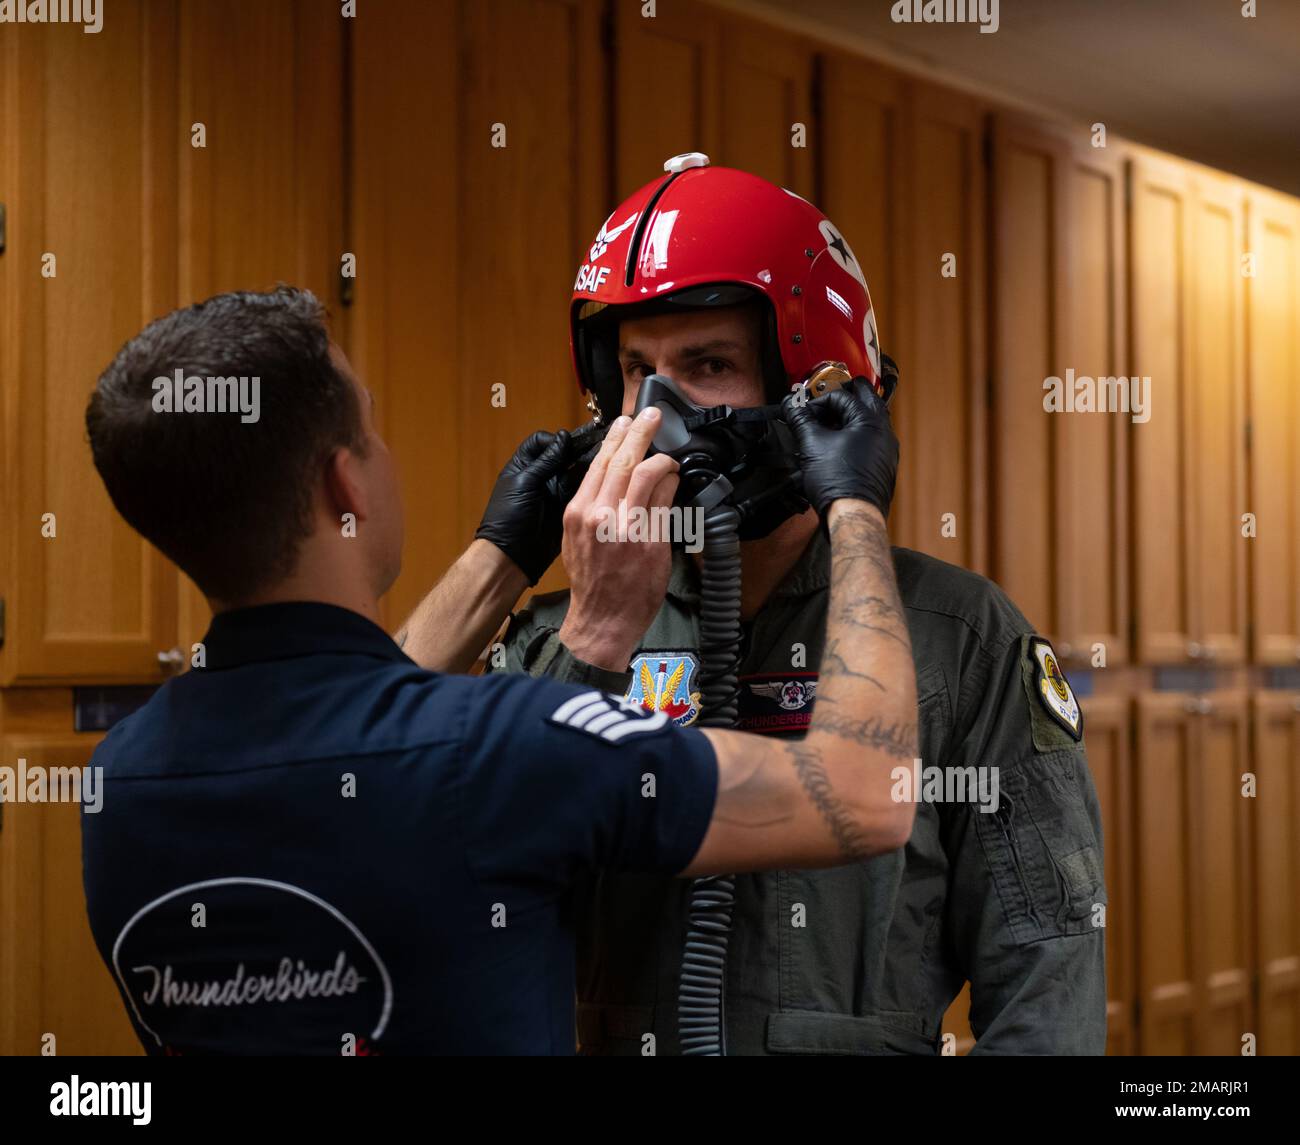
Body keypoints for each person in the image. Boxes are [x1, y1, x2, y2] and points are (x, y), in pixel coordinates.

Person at [80, 285, 916, 1055]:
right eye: (369, 429)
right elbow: (866, 791)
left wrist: (500, 558)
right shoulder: (497, 749)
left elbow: (347, 738)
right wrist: (853, 503)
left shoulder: (120, 782)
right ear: (347, 483)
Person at [411, 155, 1108, 1054]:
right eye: (635, 370)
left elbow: (1048, 988)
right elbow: (441, 893)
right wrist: (553, 612)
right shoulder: (557, 638)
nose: (657, 414)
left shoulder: (959, 638)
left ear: (815, 391)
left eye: (707, 365)